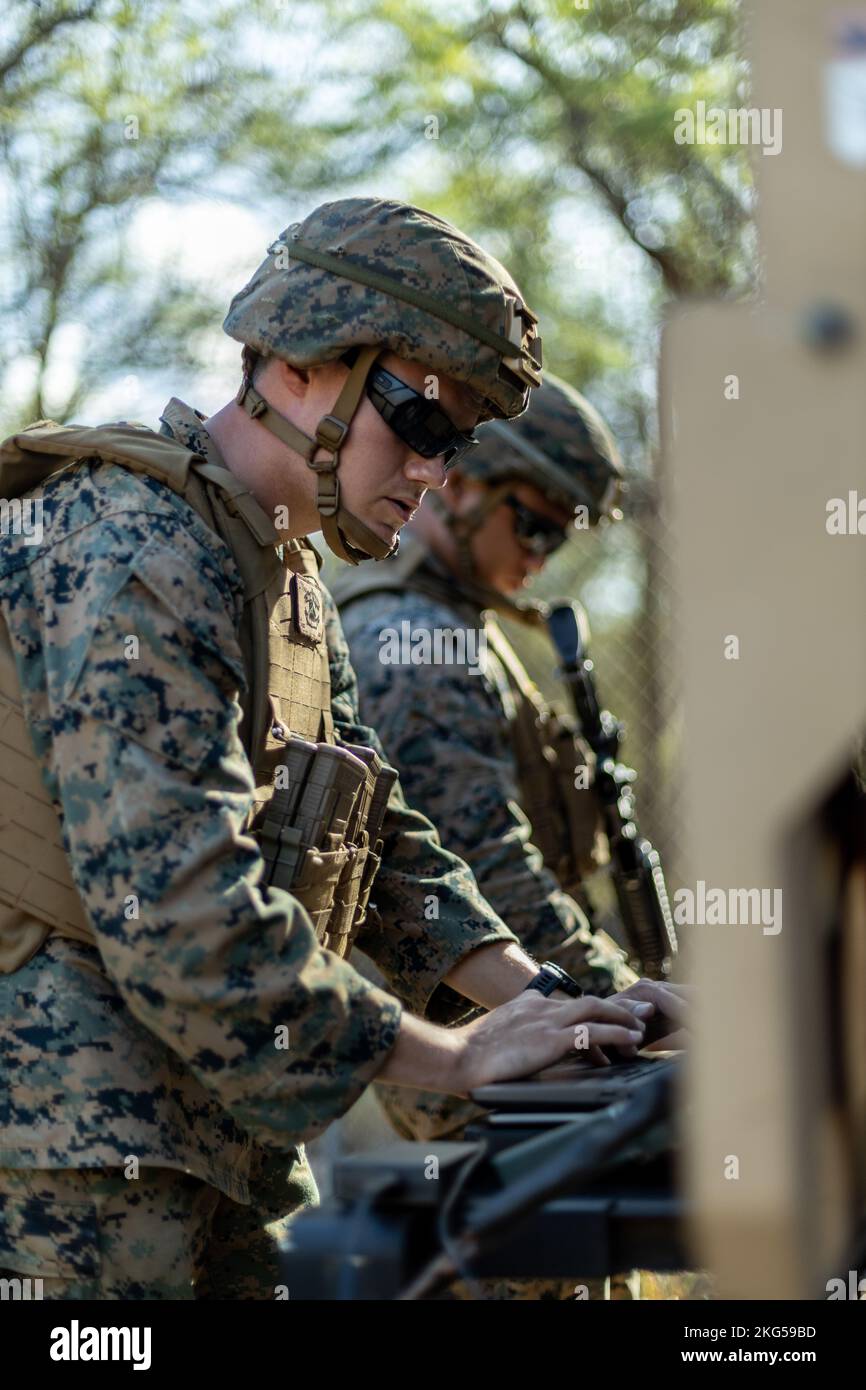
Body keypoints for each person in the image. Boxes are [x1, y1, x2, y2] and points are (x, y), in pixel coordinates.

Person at [0, 198, 662, 1300]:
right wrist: (452, 1058)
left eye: (458, 445)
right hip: (57, 1165)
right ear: (303, 362)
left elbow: (387, 845)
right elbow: (181, 916)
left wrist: (563, 1003)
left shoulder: (283, 577)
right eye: (421, 422)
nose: (435, 472)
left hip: (203, 1151)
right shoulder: (131, 553)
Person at [334, 372, 672, 1147]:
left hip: (528, 1035)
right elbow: (490, 875)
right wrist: (625, 1005)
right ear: (458, 485)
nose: (543, 558)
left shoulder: (456, 630)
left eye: (559, 537)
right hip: (499, 1061)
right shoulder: (417, 643)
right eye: (535, 527)